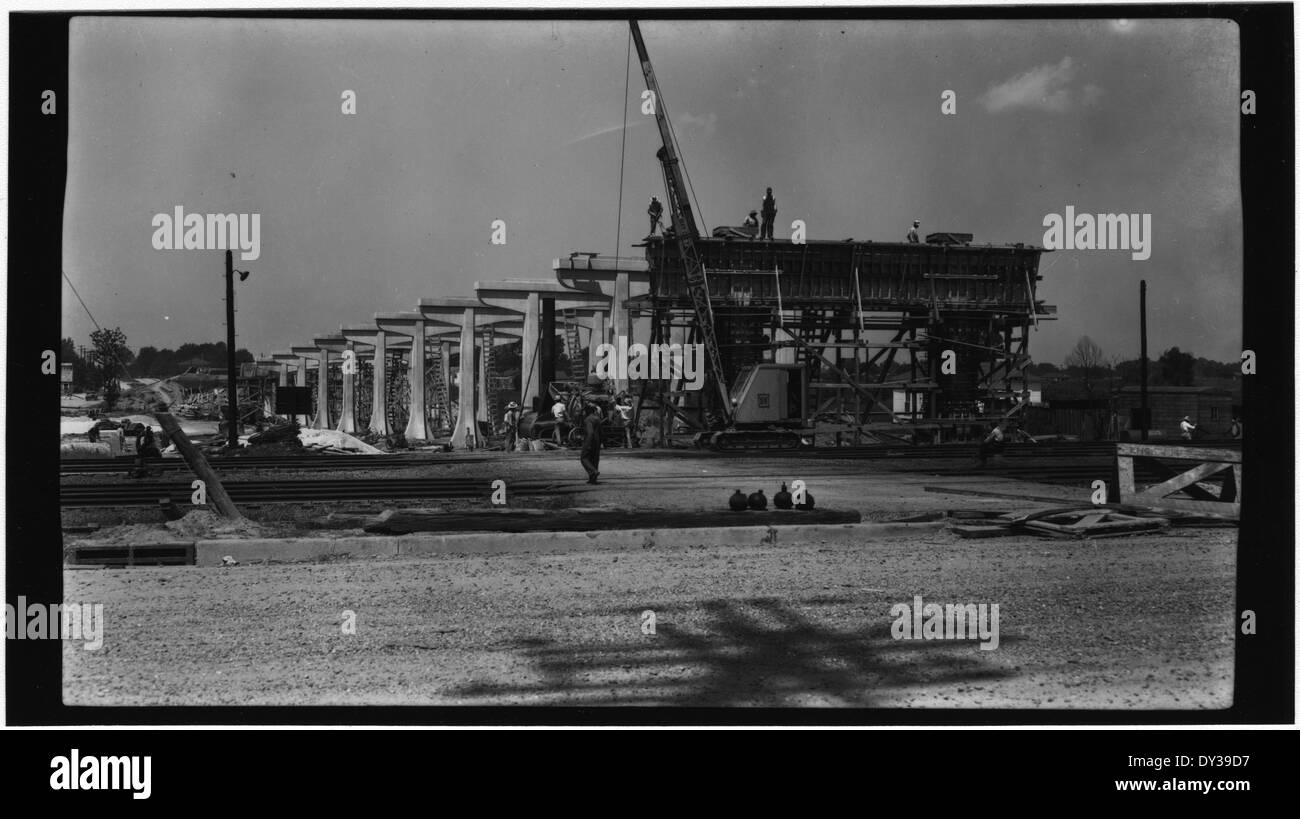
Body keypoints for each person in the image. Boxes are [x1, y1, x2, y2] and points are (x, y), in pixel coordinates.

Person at [580, 403, 604, 484]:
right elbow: (601, 432)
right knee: (594, 459)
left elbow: (590, 432)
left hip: (589, 441)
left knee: (584, 458)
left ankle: (593, 471)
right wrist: (602, 442)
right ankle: (593, 479)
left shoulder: (588, 419)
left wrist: (588, 443)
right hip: (597, 442)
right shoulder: (597, 419)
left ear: (588, 410)